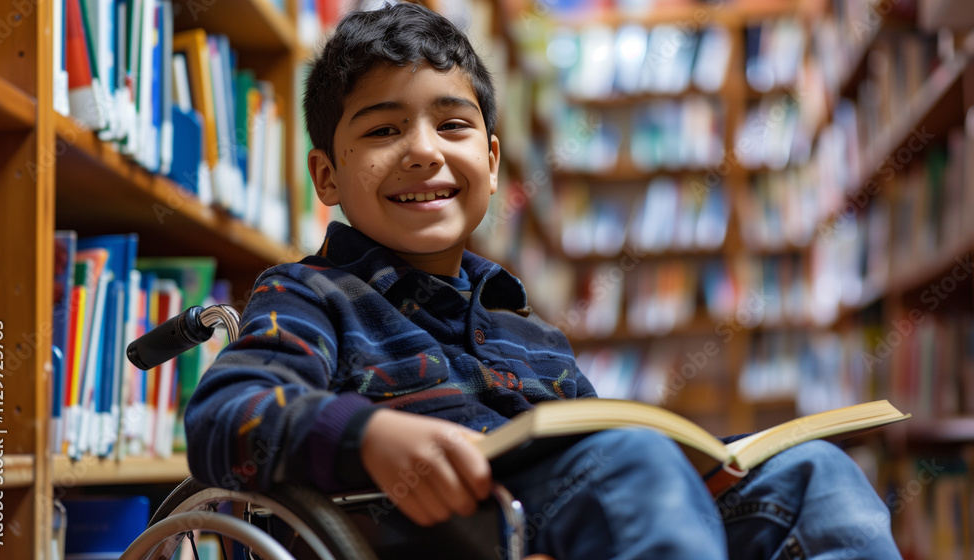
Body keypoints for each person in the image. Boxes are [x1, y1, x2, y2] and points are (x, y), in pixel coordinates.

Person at [184, 3, 903, 558]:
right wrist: (367, 433)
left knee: (814, 473)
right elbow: (225, 415)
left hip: (575, 525)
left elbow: (595, 458)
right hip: (439, 535)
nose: (423, 153)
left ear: (493, 164)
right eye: (382, 131)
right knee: (632, 463)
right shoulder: (312, 295)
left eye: (453, 126)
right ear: (327, 176)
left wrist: (702, 474)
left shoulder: (528, 329)